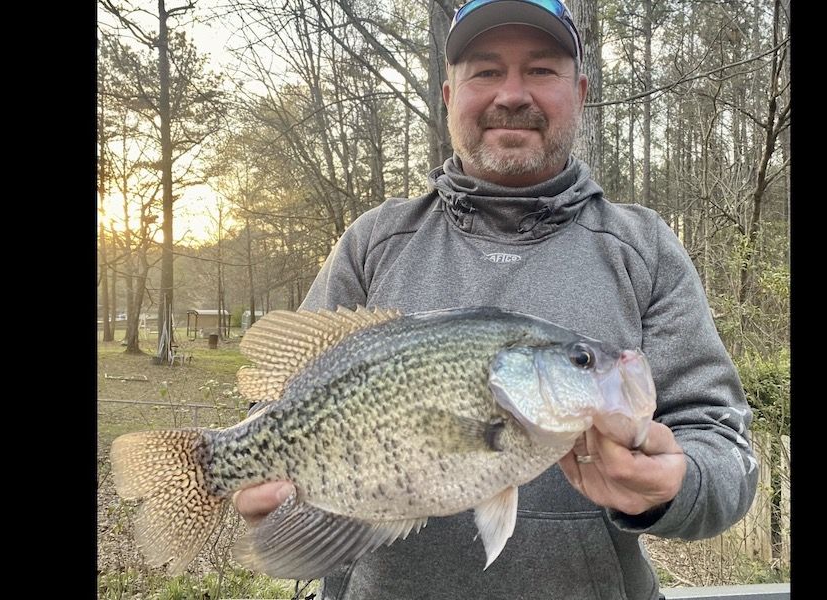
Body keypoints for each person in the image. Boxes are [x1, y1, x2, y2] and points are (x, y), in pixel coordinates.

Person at [234, 1, 759, 598]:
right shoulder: (372, 242)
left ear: (580, 92)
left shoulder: (645, 249)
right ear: (448, 95)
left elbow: (725, 449)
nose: (512, 94)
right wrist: (266, 484)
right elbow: (275, 404)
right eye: (485, 71)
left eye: (541, 69)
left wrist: (677, 483)